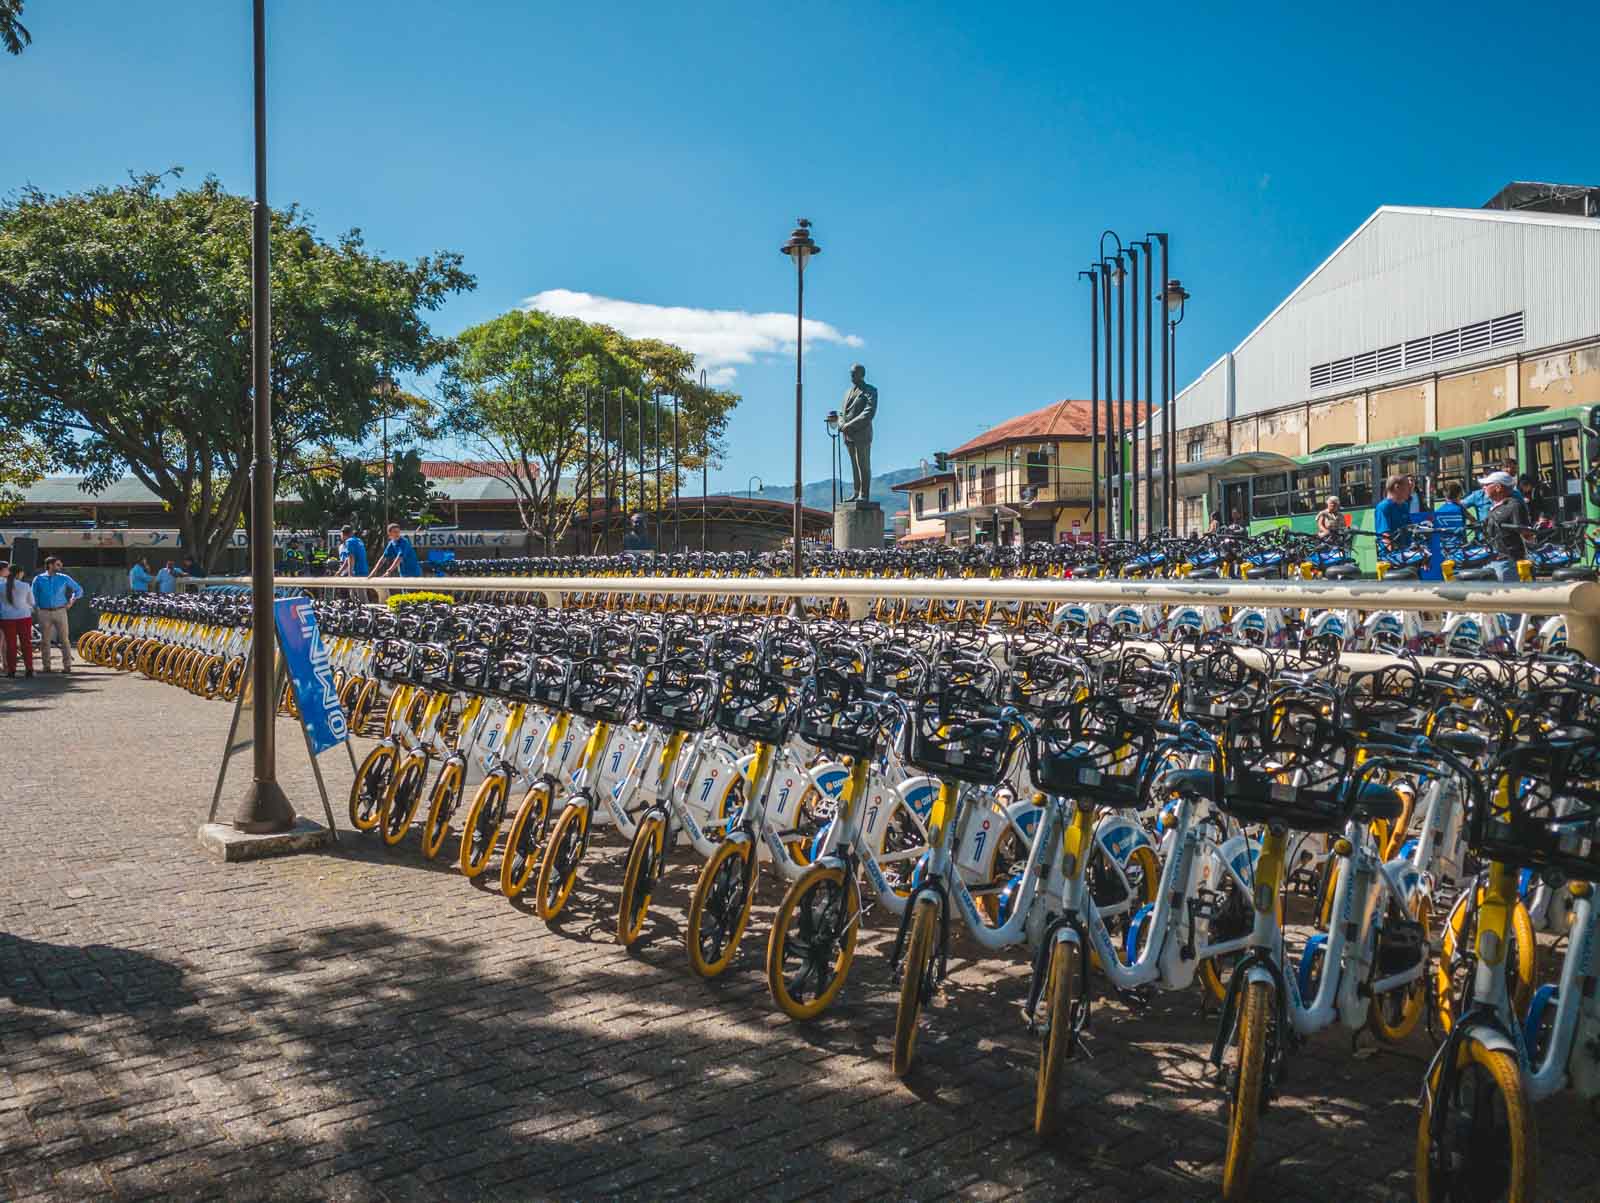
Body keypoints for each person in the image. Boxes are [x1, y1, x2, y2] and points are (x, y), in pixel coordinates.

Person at [31, 557, 83, 673]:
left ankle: (67, 666)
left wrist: (71, 600)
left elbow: (79, 590)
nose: (60, 566)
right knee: (45, 640)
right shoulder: (38, 579)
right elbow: (32, 595)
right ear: (50, 565)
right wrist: (36, 608)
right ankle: (46, 666)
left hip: (60, 611)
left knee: (64, 639)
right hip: (43, 612)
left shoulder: (64, 578)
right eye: (58, 564)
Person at [1478, 471, 1532, 582]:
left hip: (1508, 563)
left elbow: (1526, 533)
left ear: (1498, 487)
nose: (1484, 487)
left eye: (1487, 484)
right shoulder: (1495, 507)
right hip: (1493, 561)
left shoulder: (1513, 506)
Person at [0, 562, 35, 678]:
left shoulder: (1, 586)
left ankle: (11, 671)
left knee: (10, 645)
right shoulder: (25, 586)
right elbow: (32, 602)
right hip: (24, 617)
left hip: (6, 618)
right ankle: (29, 669)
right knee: (26, 644)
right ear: (19, 573)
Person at [1373, 474, 1414, 554]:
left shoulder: (1404, 505)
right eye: (1407, 486)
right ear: (1397, 487)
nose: (1410, 489)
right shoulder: (1383, 507)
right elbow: (1385, 535)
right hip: (1393, 557)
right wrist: (1394, 556)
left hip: (1407, 552)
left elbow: (1410, 528)